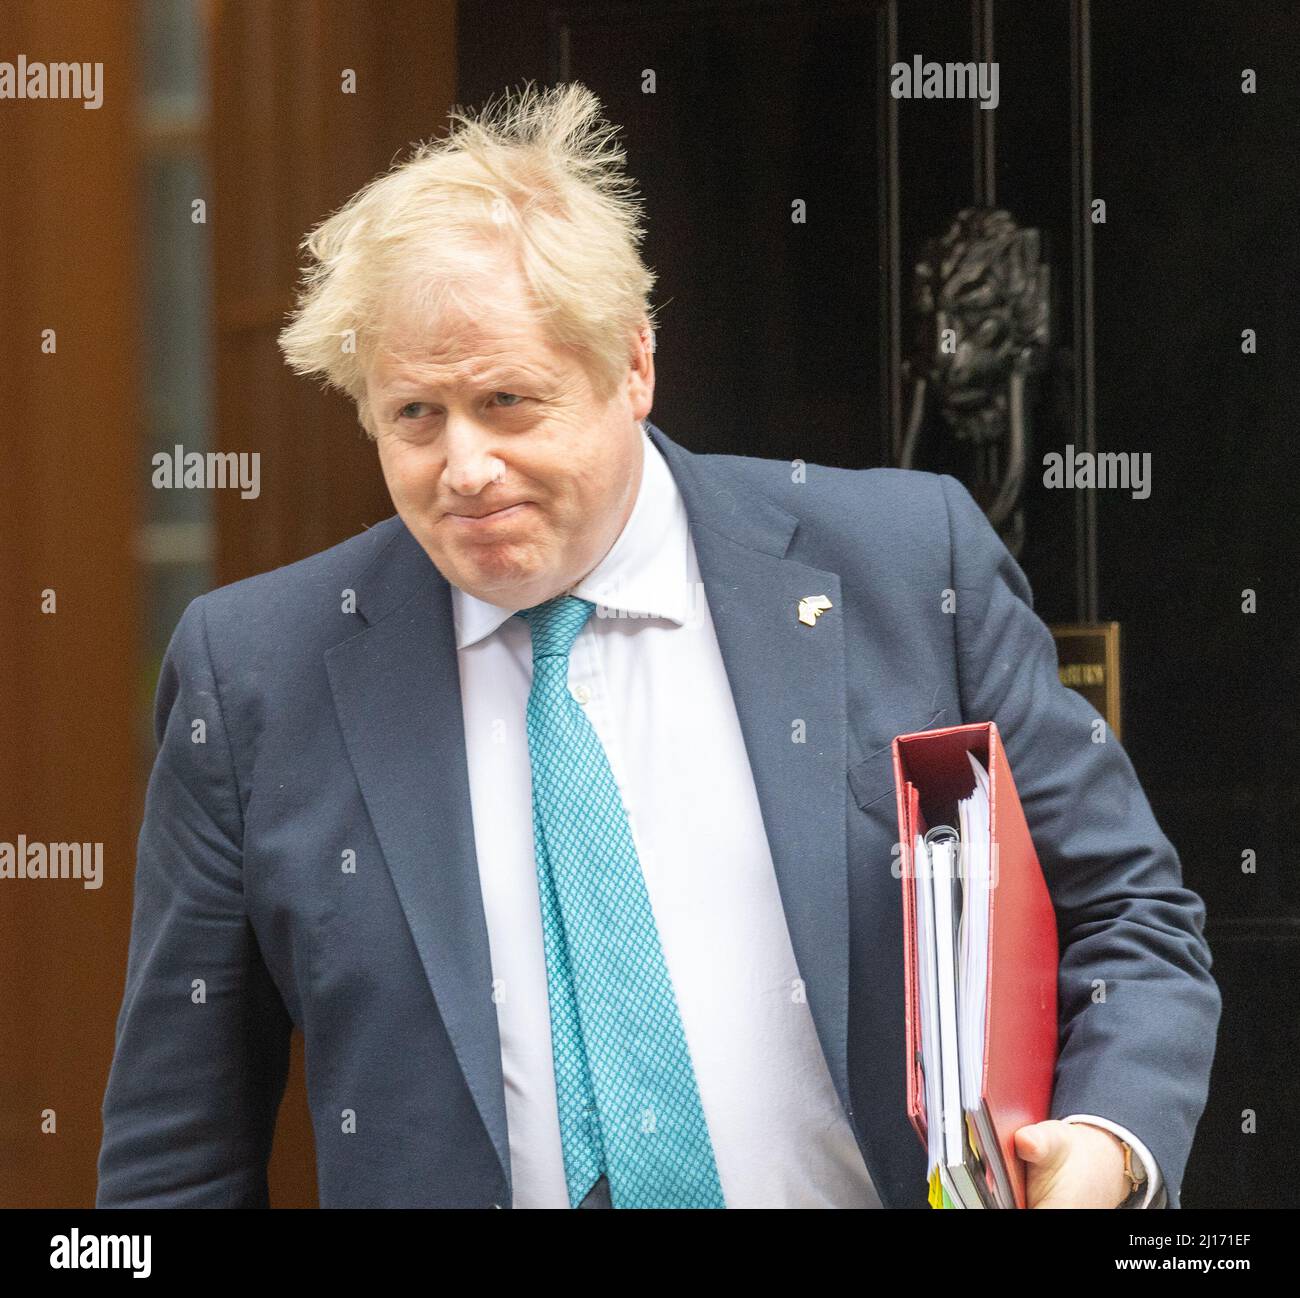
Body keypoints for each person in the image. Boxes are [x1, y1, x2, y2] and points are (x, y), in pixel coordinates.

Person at [96, 81, 1219, 1209]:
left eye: (508, 399)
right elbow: (177, 1142)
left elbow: (1127, 913)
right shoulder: (256, 673)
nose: (465, 467)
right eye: (415, 416)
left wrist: (1111, 1147)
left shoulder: (902, 564)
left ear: (633, 365)